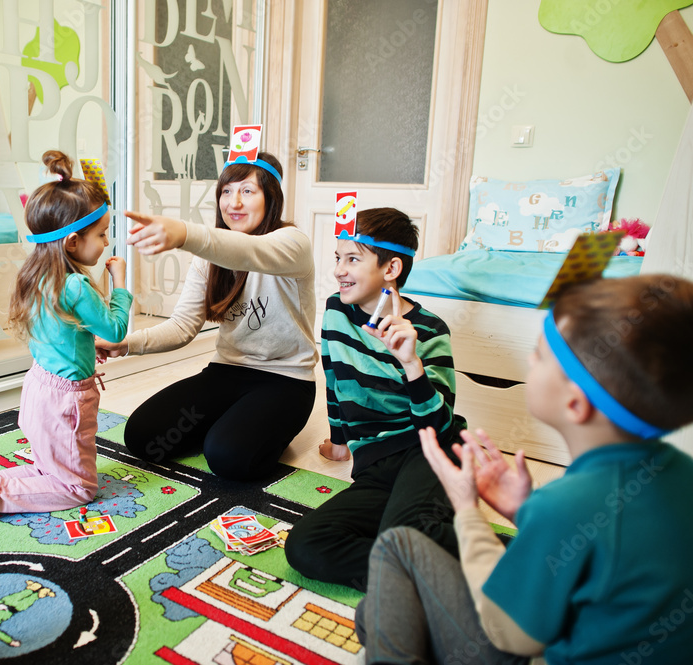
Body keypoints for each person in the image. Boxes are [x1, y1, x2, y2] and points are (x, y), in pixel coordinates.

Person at [357, 274, 693, 665]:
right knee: (379, 611)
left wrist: (467, 511)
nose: (530, 361)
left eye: (540, 355)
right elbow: (609, 560)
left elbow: (511, 633)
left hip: (529, 649)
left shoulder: (567, 504)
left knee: (396, 549)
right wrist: (525, 512)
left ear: (575, 404)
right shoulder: (680, 472)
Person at [96, 150, 318, 482]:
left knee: (228, 459)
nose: (234, 202)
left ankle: (246, 433)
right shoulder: (209, 259)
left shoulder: (292, 243)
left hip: (286, 381)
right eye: (227, 191)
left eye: (247, 191)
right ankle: (231, 426)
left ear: (271, 197)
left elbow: (249, 251)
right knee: (143, 437)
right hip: (226, 373)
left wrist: (185, 234)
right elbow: (183, 327)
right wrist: (127, 344)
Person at [284, 207, 466, 591]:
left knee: (408, 530)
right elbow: (335, 380)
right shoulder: (336, 310)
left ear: (391, 268)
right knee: (304, 546)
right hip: (375, 464)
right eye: (337, 258)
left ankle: (513, 560)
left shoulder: (431, 330)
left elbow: (439, 427)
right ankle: (415, 568)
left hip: (430, 450)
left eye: (353, 258)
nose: (338, 270)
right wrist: (339, 442)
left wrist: (411, 364)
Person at [0, 150, 132, 533]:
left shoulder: (36, 276)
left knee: (48, 465)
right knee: (76, 486)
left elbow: (64, 333)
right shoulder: (76, 285)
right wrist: (120, 282)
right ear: (71, 242)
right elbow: (116, 329)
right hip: (67, 399)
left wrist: (86, 347)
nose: (106, 243)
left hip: (37, 386)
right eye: (101, 234)